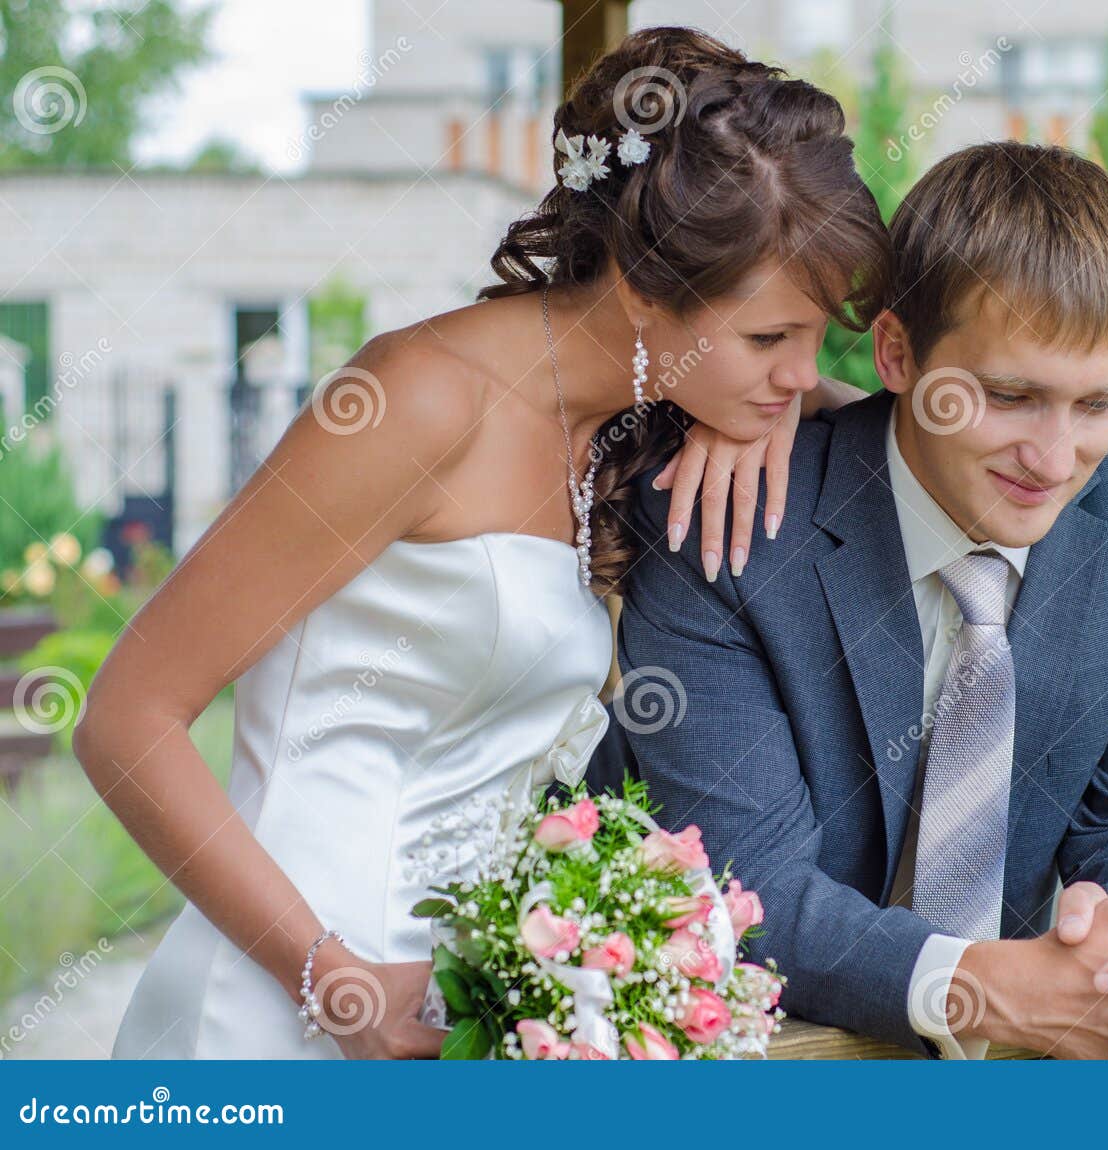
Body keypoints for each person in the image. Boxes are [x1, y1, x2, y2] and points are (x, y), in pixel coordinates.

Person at [76, 26, 885, 1060]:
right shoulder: (415, 402)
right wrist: (331, 981)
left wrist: (777, 406)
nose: (801, 370)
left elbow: (887, 437)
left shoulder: (631, 422)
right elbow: (126, 718)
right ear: (644, 289)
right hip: (286, 998)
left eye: (817, 337)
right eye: (770, 338)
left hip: (475, 1003)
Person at [604, 141, 1108, 1059]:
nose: (1054, 460)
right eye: (1009, 396)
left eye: (1099, 404)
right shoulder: (723, 525)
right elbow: (749, 888)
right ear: (896, 353)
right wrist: (984, 990)